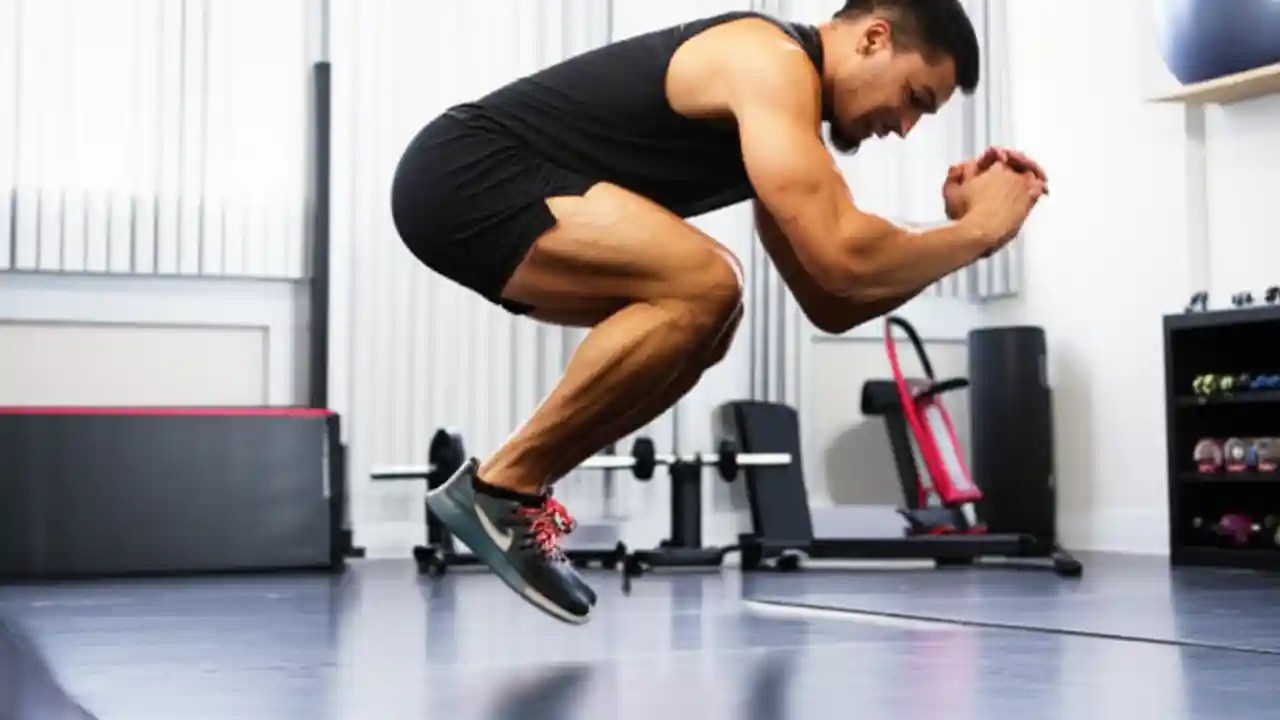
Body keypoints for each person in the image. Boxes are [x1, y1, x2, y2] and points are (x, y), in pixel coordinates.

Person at [390, 0, 1049, 625]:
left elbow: (832, 300)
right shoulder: (768, 61)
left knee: (708, 318)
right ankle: (503, 489)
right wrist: (979, 233)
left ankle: (510, 493)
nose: (904, 127)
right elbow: (845, 256)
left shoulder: (785, 126)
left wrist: (956, 235)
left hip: (478, 196)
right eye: (913, 98)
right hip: (464, 172)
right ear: (874, 38)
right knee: (706, 283)